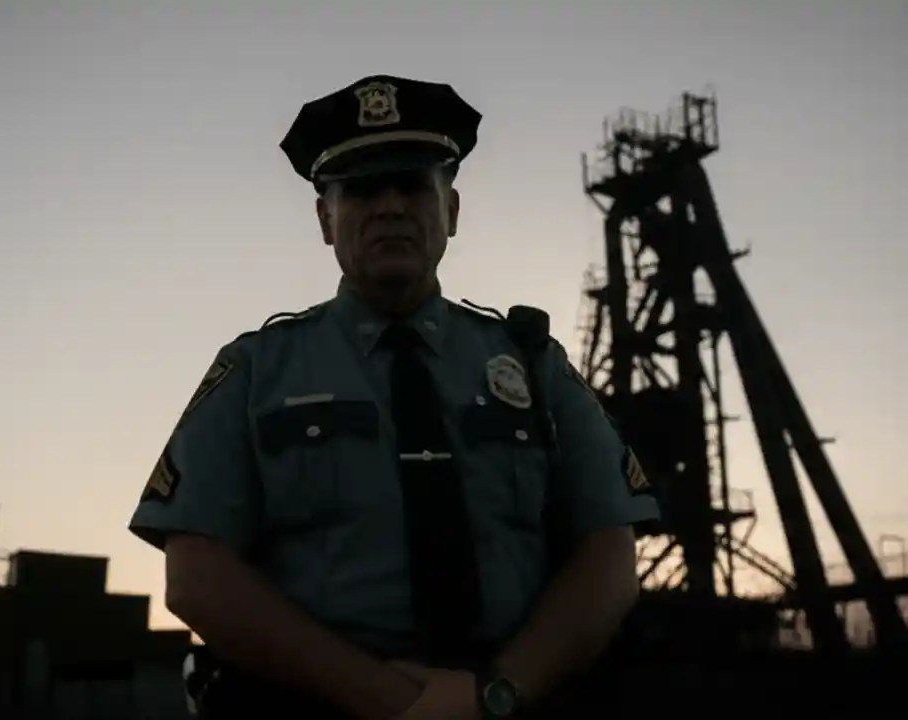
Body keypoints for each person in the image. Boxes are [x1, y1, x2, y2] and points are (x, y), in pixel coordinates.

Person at [127, 74, 659, 719]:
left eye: (411, 185)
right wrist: (393, 703)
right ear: (325, 220)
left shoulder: (533, 364)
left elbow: (609, 554)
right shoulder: (254, 370)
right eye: (360, 190)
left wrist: (495, 694)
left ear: (451, 211)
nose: (389, 207)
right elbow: (195, 575)